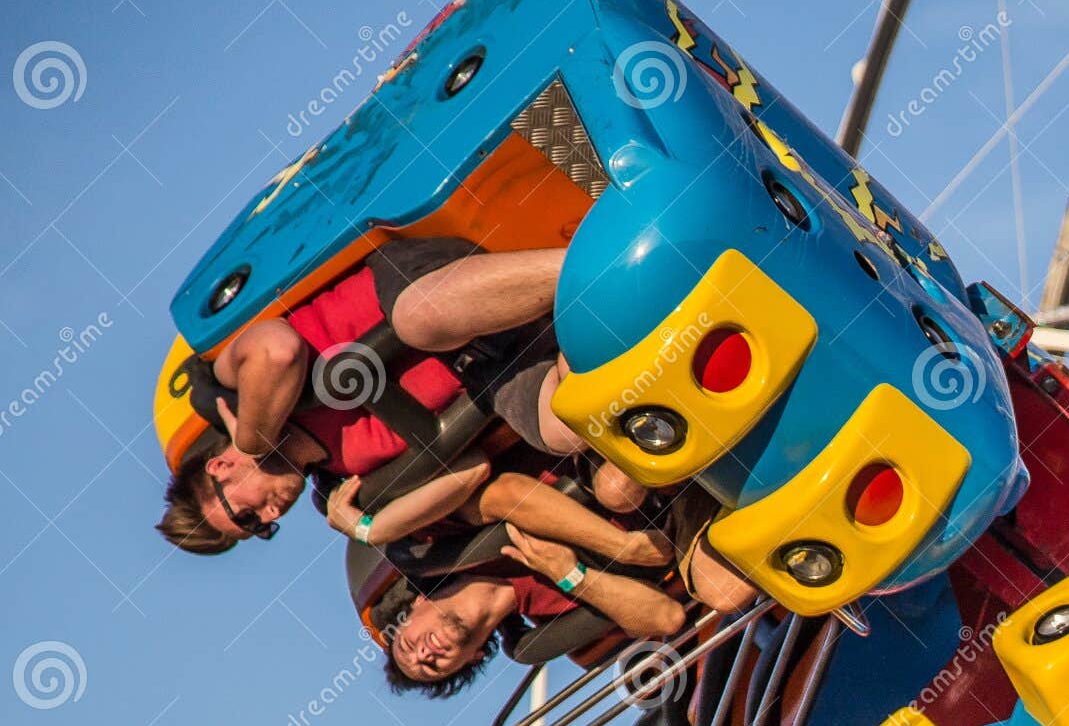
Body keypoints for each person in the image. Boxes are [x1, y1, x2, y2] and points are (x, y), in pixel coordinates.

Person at [155, 237, 647, 554]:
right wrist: (373, 530)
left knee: (421, 319)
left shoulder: (228, 391)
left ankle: (619, 260)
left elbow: (279, 351)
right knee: (561, 432)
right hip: (491, 367)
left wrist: (254, 436)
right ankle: (650, 320)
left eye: (247, 514)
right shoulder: (342, 485)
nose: (270, 516)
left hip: (420, 284)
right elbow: (468, 468)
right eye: (261, 528)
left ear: (219, 468)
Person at [371, 526, 687, 698]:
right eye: (432, 667)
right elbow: (667, 616)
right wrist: (570, 574)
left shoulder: (448, 536)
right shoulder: (555, 625)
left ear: (416, 605)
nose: (425, 654)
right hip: (674, 533)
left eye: (408, 645)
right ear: (473, 658)